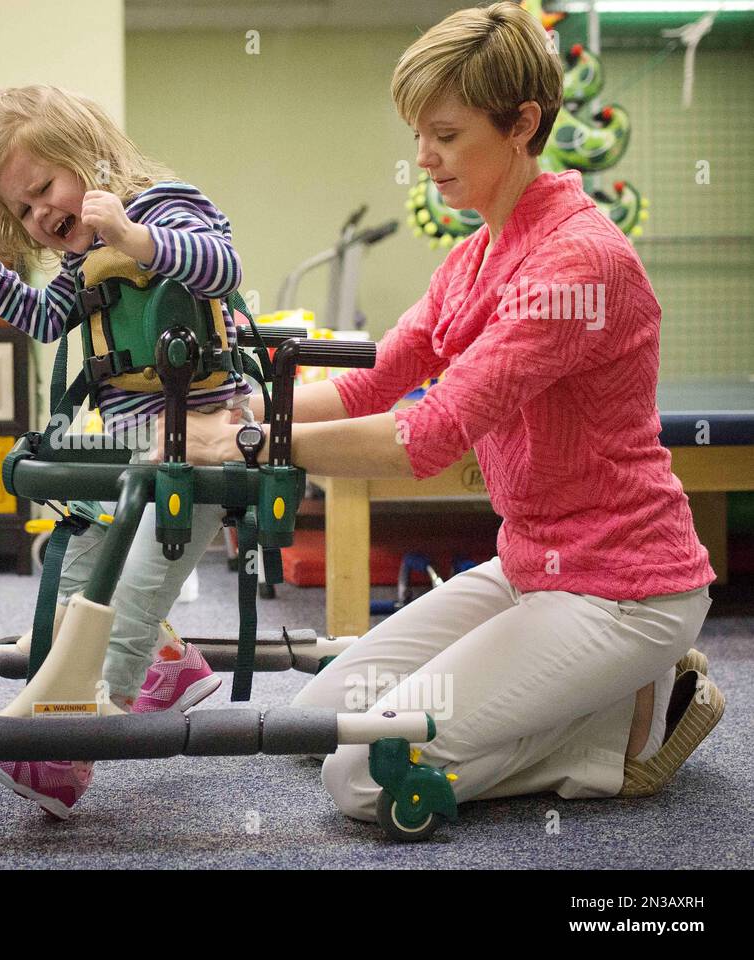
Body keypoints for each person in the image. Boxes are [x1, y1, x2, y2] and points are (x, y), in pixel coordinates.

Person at [161, 3, 722, 822]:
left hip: (624, 591)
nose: (423, 159)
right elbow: (373, 382)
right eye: (418, 135)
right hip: (533, 563)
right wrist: (235, 410)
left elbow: (427, 434)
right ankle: (592, 698)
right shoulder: (474, 255)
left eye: (447, 135)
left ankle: (619, 732)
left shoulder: (578, 263)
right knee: (317, 720)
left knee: (361, 778)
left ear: (523, 124)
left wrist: (252, 446)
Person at [0, 84, 253, 819]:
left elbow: (221, 266)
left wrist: (134, 239)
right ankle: (170, 667)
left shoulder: (163, 207)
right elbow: (44, 321)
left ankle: (78, 744)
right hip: (134, 447)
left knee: (131, 594)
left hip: (204, 450)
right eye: (23, 210)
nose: (40, 215)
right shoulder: (78, 262)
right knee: (77, 564)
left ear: (88, 156)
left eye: (43, 189)